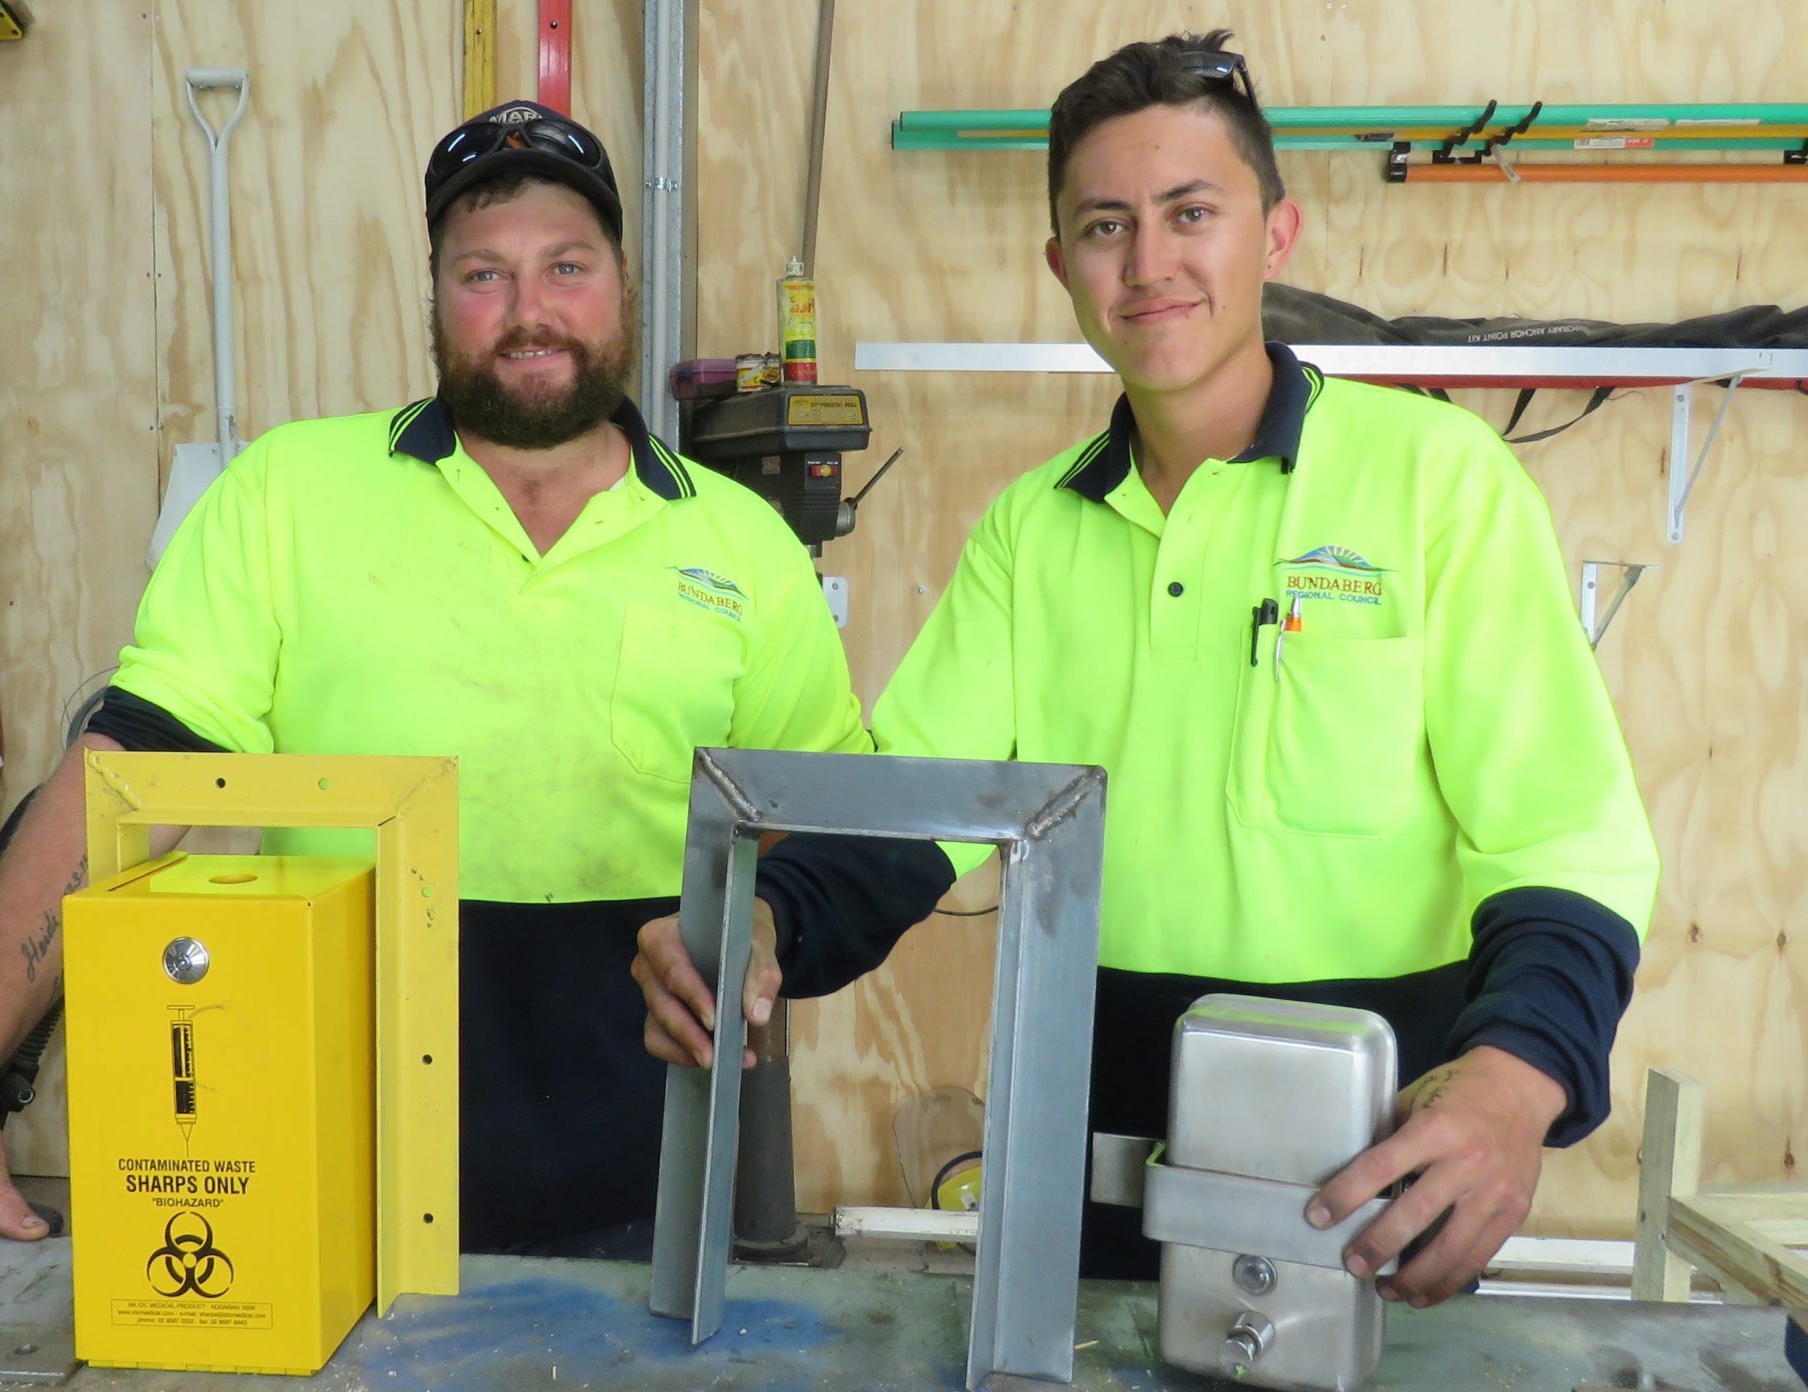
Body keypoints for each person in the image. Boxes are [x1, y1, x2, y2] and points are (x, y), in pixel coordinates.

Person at [633, 33, 1659, 1308]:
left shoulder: (1434, 485)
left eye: (1190, 213)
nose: (1149, 261)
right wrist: (765, 923)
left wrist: (1514, 1079)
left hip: (1374, 1159)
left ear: (1273, 235)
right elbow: (912, 813)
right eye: (1105, 225)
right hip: (1090, 1153)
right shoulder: (1032, 529)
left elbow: (1563, 840)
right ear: (1061, 266)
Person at [0, 99, 871, 1274]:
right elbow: (130, 775)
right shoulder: (287, 496)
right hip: (335, 1177)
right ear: (435, 293)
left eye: (565, 266)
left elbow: (838, 824)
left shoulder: (740, 543)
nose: (528, 310)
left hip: (656, 1189)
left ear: (620, 280)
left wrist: (763, 924)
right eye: (482, 272)